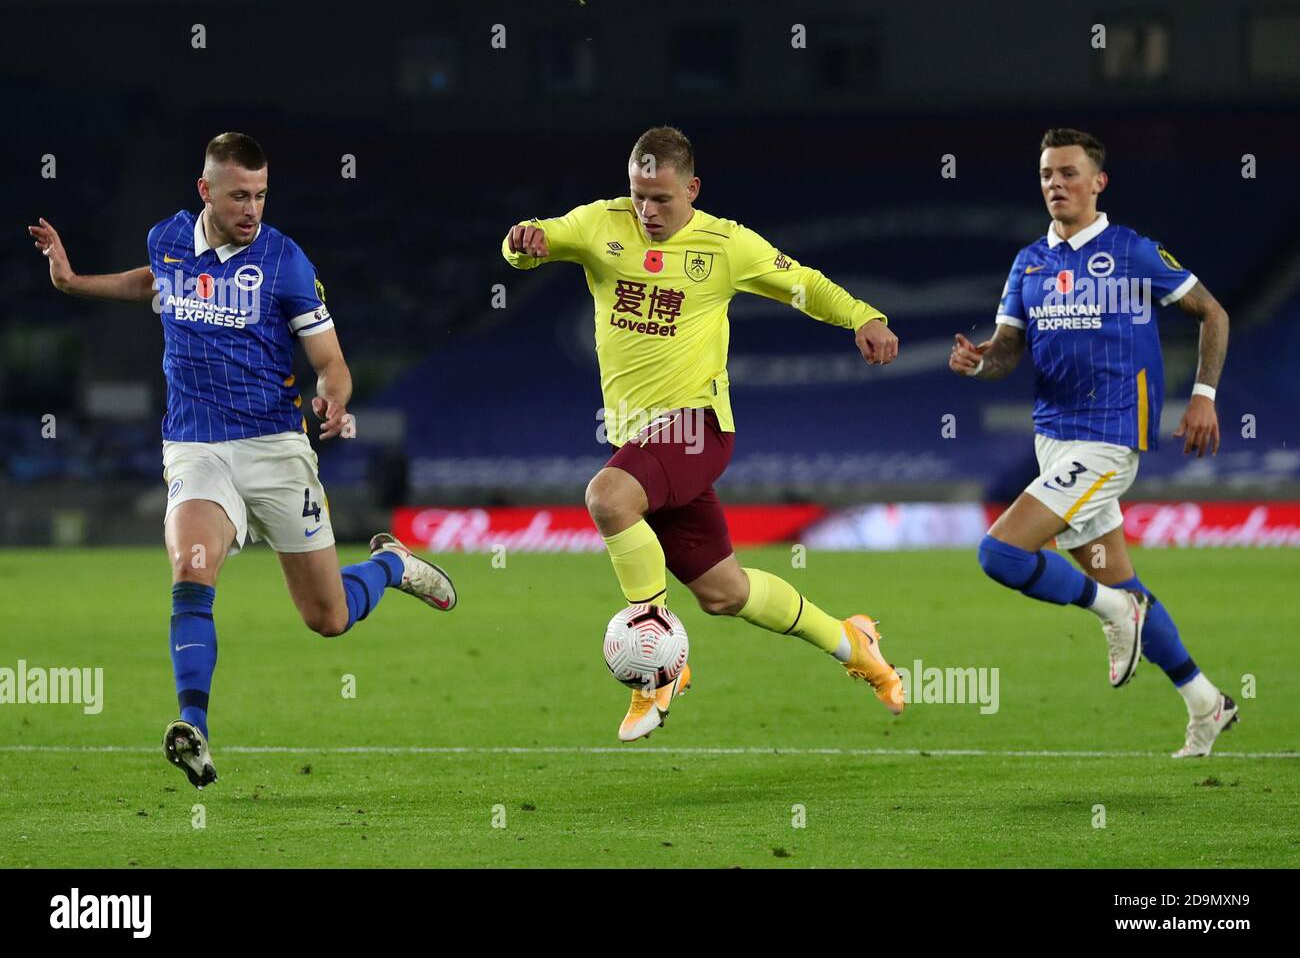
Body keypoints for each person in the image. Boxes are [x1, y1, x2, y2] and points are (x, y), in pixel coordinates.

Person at [28, 132, 457, 788]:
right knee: (191, 570)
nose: (251, 208)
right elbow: (157, 282)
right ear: (206, 191)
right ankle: (193, 727)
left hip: (276, 449)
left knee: (328, 619)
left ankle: (389, 564)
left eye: (259, 195)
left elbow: (332, 363)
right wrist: (74, 281)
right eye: (238, 196)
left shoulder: (284, 262)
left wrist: (334, 402)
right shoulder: (166, 238)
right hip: (197, 449)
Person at [503, 125, 905, 742]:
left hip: (696, 427)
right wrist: (521, 244)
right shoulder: (600, 224)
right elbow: (533, 245)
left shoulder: (725, 245)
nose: (647, 210)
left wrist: (863, 315)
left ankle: (656, 672)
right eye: (639, 195)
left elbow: (804, 283)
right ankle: (852, 642)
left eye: (662, 197)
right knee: (724, 591)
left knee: (608, 498)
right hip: (638, 438)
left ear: (691, 188)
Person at [949, 127, 1236, 757]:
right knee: (1123, 583)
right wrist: (980, 362)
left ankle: (1112, 613)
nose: (1056, 183)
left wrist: (1204, 397)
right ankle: (1206, 700)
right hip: (1053, 441)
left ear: (1098, 181)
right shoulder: (1029, 262)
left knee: (999, 555)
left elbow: (1213, 313)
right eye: (1048, 174)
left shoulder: (1130, 252)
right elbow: (1007, 353)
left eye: (1069, 173)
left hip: (1108, 440)